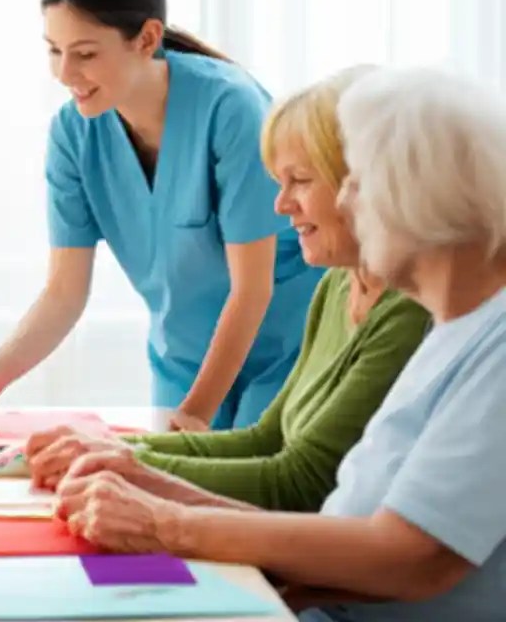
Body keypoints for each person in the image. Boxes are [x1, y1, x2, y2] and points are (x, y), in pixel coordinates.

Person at [55, 66, 506, 621]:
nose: (344, 202)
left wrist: (164, 521)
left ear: (420, 196)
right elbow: (343, 531)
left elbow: (413, 558)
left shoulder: (493, 345)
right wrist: (147, 483)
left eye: (355, 182)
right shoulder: (454, 330)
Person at [0, 0, 322, 431]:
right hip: (185, 359)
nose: (65, 74)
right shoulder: (74, 134)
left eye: (86, 54)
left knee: (249, 492)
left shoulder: (231, 109)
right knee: (159, 495)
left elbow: (251, 288)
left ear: (146, 38)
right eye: (54, 51)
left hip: (281, 349)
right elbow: (64, 292)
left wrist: (195, 417)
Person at [23, 68, 429, 511]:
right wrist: (113, 452)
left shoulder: (409, 309)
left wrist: (126, 465)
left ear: (364, 182)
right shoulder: (336, 285)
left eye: (301, 180)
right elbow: (265, 438)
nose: (280, 205)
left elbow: (301, 479)